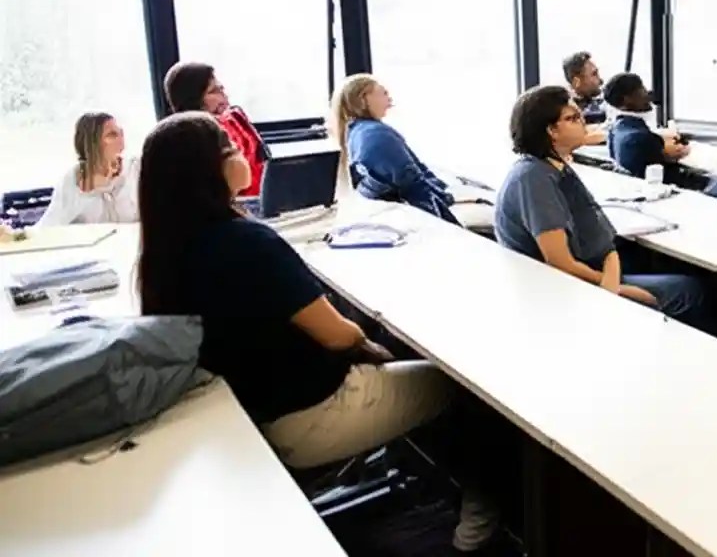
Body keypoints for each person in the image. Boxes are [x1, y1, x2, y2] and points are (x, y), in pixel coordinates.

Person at [135, 112, 497, 552]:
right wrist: (375, 348)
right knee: (473, 391)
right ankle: (480, 530)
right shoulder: (247, 242)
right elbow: (338, 336)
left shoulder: (163, 252)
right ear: (206, 174)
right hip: (310, 415)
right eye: (230, 149)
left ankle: (409, 465)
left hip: (248, 411)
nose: (245, 155)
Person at [494, 85, 711, 331]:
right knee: (690, 291)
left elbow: (603, 241)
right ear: (551, 130)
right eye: (572, 118)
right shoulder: (533, 179)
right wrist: (616, 289)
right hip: (563, 295)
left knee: (665, 267)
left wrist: (611, 278)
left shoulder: (554, 168)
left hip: (593, 275)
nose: (583, 122)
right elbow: (561, 264)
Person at [329, 74, 458, 225]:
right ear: (363, 99)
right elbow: (416, 189)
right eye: (384, 93)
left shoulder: (356, 132)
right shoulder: (376, 135)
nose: (390, 100)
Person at [163, 61, 269, 197]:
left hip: (263, 196)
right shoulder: (191, 138)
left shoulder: (235, 118)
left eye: (221, 88)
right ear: (193, 100)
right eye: (213, 91)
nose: (223, 96)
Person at [37, 112, 140, 227]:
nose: (121, 139)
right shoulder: (71, 181)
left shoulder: (136, 169)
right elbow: (49, 225)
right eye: (112, 135)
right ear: (92, 144)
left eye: (121, 133)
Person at [601, 72, 690, 181]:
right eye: (642, 89)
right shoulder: (641, 138)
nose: (648, 94)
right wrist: (686, 148)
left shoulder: (615, 131)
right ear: (628, 99)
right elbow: (677, 152)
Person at [562, 51, 607, 146]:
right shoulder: (563, 109)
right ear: (576, 81)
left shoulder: (601, 102)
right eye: (594, 74)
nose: (601, 80)